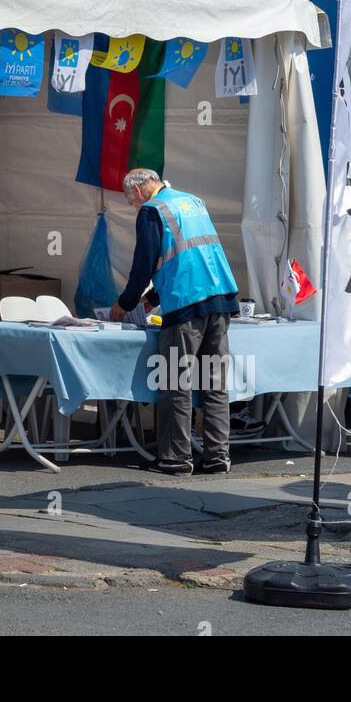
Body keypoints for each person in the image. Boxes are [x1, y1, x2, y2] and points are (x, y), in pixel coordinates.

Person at [109, 168, 239, 475]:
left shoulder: (152, 211)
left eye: (130, 200)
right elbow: (189, 254)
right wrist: (153, 298)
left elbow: (143, 264)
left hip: (186, 302)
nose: (132, 206)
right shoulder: (192, 201)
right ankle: (218, 456)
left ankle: (176, 458)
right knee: (213, 383)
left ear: (139, 191)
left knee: (175, 383)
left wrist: (124, 304)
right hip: (220, 296)